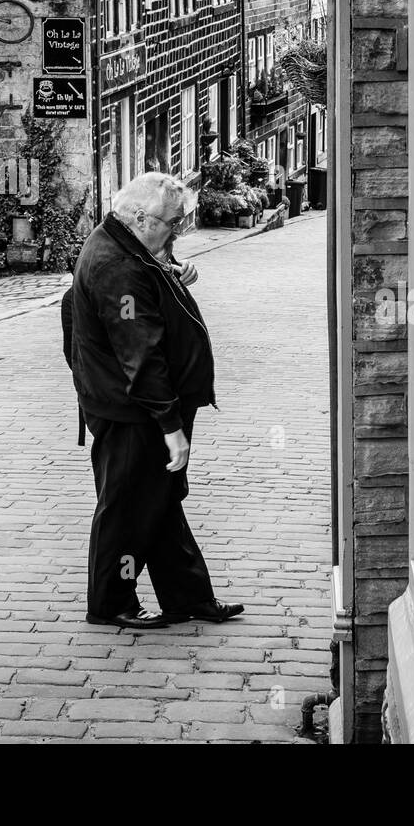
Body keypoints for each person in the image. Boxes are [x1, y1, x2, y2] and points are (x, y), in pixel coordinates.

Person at [67, 171, 243, 629]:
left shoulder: (127, 245)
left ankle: (188, 596)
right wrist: (171, 427)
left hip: (133, 406)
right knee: (126, 511)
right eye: (173, 222)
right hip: (131, 411)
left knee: (158, 503)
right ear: (142, 218)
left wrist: (174, 272)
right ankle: (110, 604)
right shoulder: (118, 266)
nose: (178, 230)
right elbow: (140, 352)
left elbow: (146, 292)